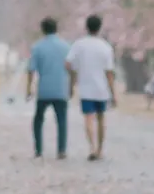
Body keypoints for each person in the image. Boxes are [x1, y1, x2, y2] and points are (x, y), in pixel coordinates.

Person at [65, 14, 118, 161]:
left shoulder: (79, 44)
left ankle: (92, 147)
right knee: (101, 118)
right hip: (102, 89)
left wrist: (74, 76)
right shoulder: (106, 47)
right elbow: (109, 73)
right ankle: (100, 149)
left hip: (86, 88)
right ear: (100, 28)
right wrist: (114, 94)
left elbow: (68, 63)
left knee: (88, 118)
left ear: (86, 27)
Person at [25, 17, 71, 159]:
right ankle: (61, 149)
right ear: (56, 29)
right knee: (61, 120)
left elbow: (31, 70)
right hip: (60, 88)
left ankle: (38, 149)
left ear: (43, 29)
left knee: (38, 119)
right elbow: (71, 68)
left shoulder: (38, 47)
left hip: (44, 89)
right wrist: (72, 86)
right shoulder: (66, 46)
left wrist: (29, 88)